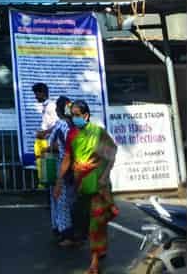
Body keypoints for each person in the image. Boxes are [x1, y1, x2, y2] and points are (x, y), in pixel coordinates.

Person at [56, 101, 120, 274]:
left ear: (86, 116)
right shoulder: (72, 135)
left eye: (78, 115)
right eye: (73, 115)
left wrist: (104, 176)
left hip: (99, 184)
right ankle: (101, 248)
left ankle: (94, 263)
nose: (75, 118)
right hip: (82, 184)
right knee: (89, 220)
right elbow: (68, 158)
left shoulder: (98, 132)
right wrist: (59, 182)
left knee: (96, 221)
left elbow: (111, 153)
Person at [44, 96, 75, 242]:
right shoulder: (74, 124)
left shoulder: (60, 125)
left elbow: (55, 146)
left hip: (62, 168)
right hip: (76, 168)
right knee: (71, 201)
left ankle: (63, 233)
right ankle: (74, 232)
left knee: (60, 201)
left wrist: (46, 149)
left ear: (58, 109)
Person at [30, 83, 55, 189]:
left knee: (49, 169)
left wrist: (44, 133)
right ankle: (44, 187)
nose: (35, 97)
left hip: (50, 142)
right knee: (42, 166)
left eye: (36, 94)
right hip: (44, 140)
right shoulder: (45, 106)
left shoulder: (51, 106)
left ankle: (48, 188)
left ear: (42, 93)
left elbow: (58, 125)